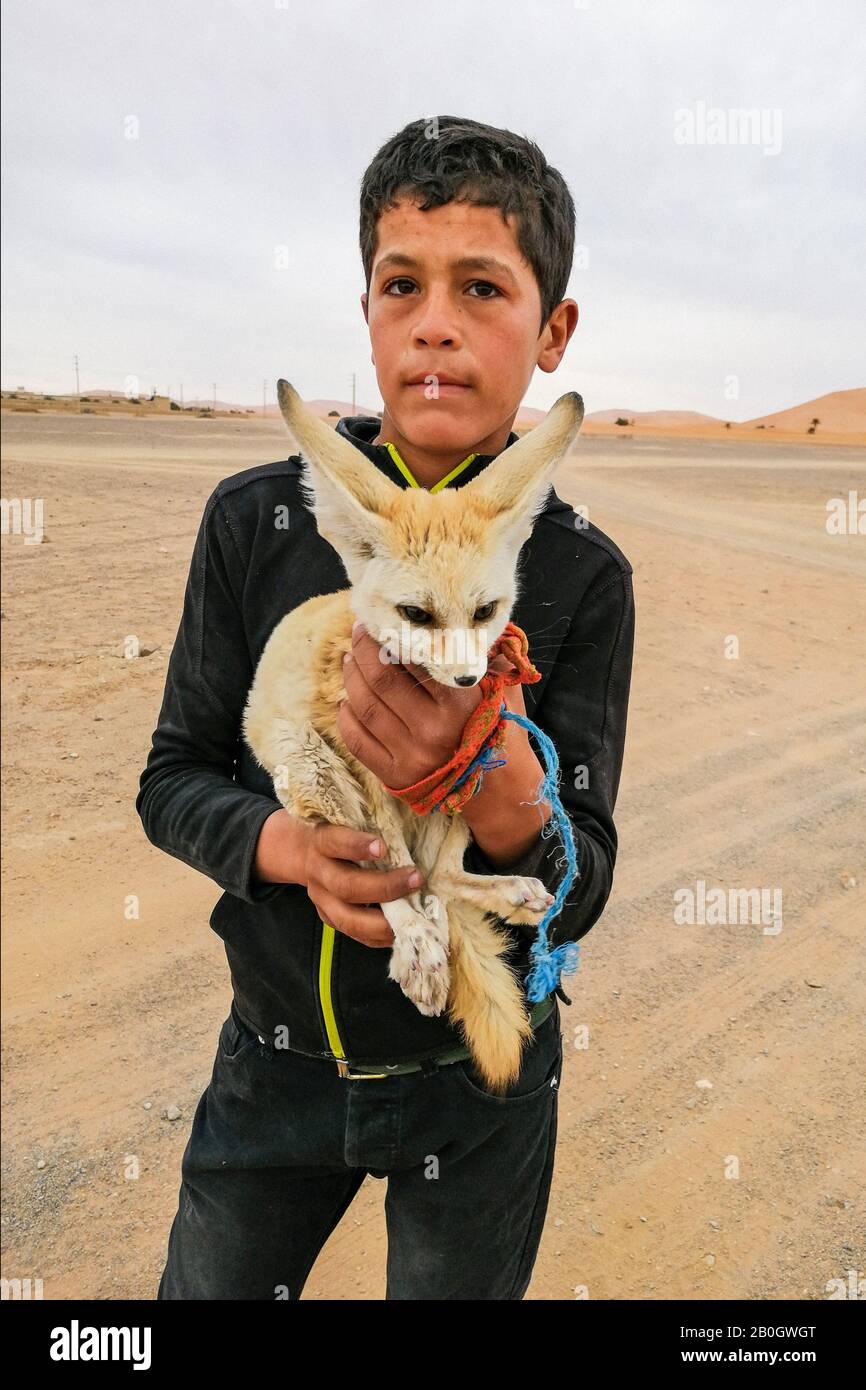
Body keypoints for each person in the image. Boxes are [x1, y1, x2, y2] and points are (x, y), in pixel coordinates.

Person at [136, 114, 635, 1300]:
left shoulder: (578, 573)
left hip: (474, 1091)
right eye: (401, 284)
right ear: (364, 307)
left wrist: (503, 796)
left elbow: (580, 875)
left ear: (553, 330)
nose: (434, 325)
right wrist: (288, 846)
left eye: (482, 288)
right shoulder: (257, 521)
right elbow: (172, 778)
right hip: (274, 1064)